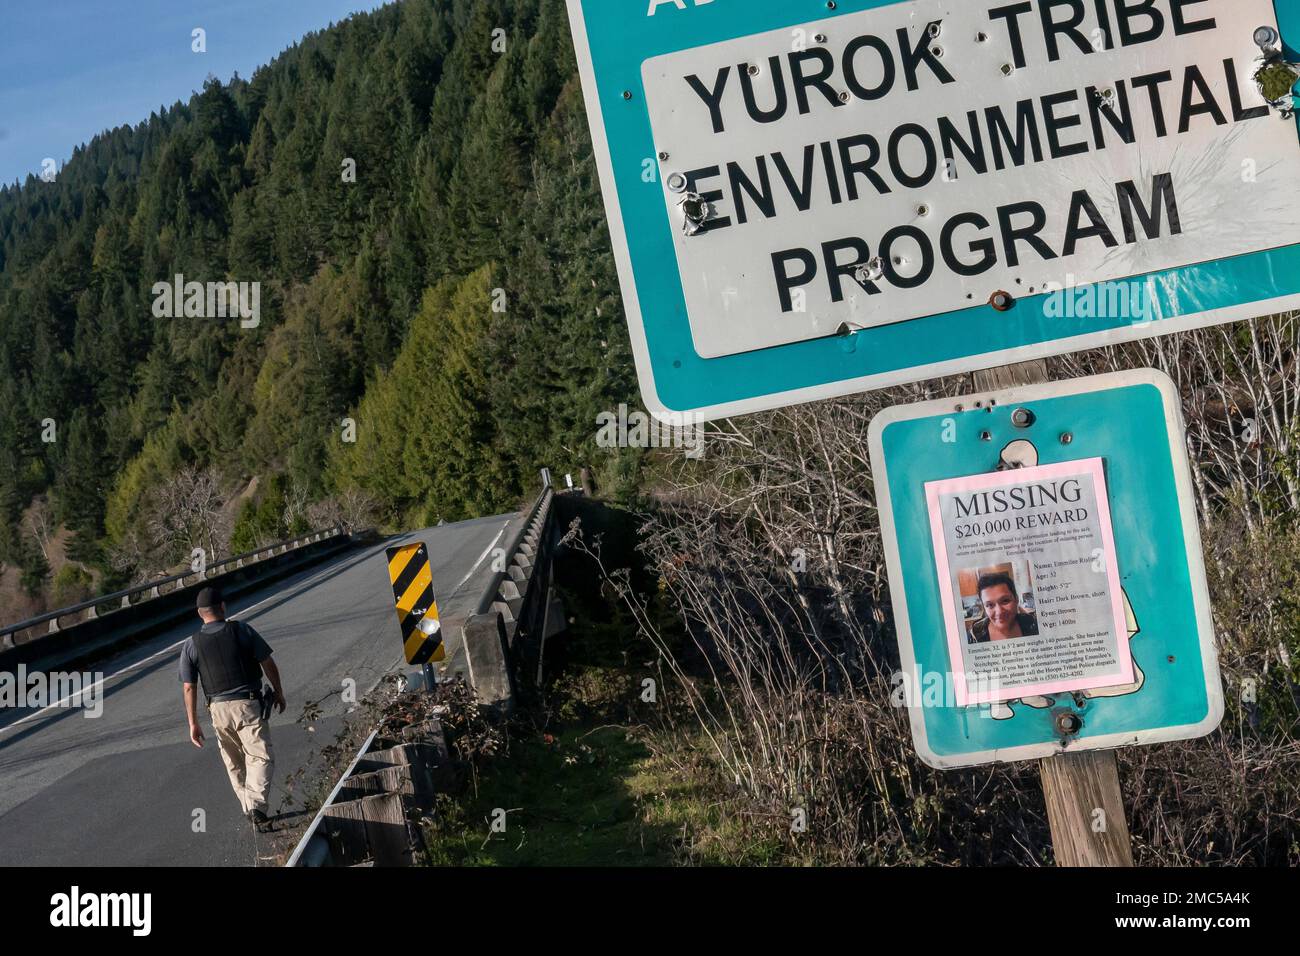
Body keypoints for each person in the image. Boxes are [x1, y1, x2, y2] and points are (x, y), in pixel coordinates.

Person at [178, 586, 286, 831]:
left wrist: (193, 723)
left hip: (217, 709)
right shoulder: (242, 630)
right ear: (223, 607)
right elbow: (267, 661)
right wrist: (278, 691)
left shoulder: (191, 644)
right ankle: (256, 806)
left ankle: (248, 807)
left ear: (199, 613)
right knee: (260, 756)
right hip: (247, 704)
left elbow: (189, 686)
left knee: (234, 761)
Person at [968, 572, 1039, 643]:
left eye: (1005, 601)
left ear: (1016, 599)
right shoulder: (975, 634)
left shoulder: (1033, 624)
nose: (999, 612)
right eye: (990, 605)